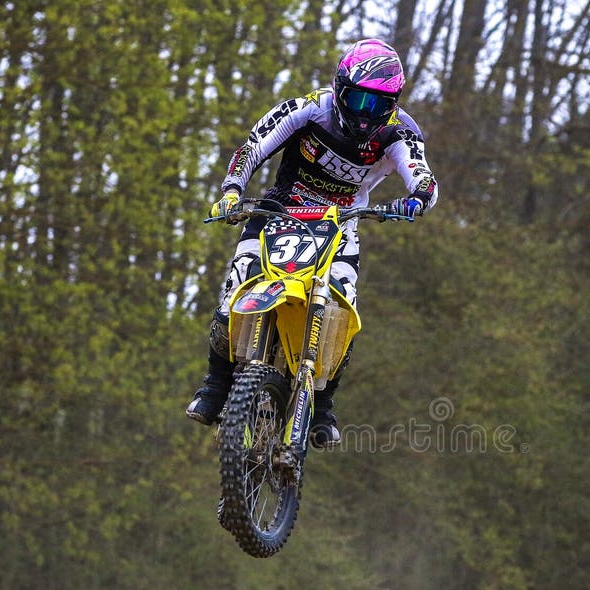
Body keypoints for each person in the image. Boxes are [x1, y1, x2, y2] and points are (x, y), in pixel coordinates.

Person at [186, 38, 439, 447]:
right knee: (233, 295)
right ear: (340, 88)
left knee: (342, 307)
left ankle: (322, 408)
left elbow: (422, 176)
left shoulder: (401, 133)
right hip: (278, 211)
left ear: (392, 103)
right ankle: (214, 387)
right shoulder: (307, 109)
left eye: (377, 104)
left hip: (342, 223)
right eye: (357, 99)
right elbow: (252, 147)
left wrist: (415, 199)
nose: (364, 113)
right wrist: (233, 190)